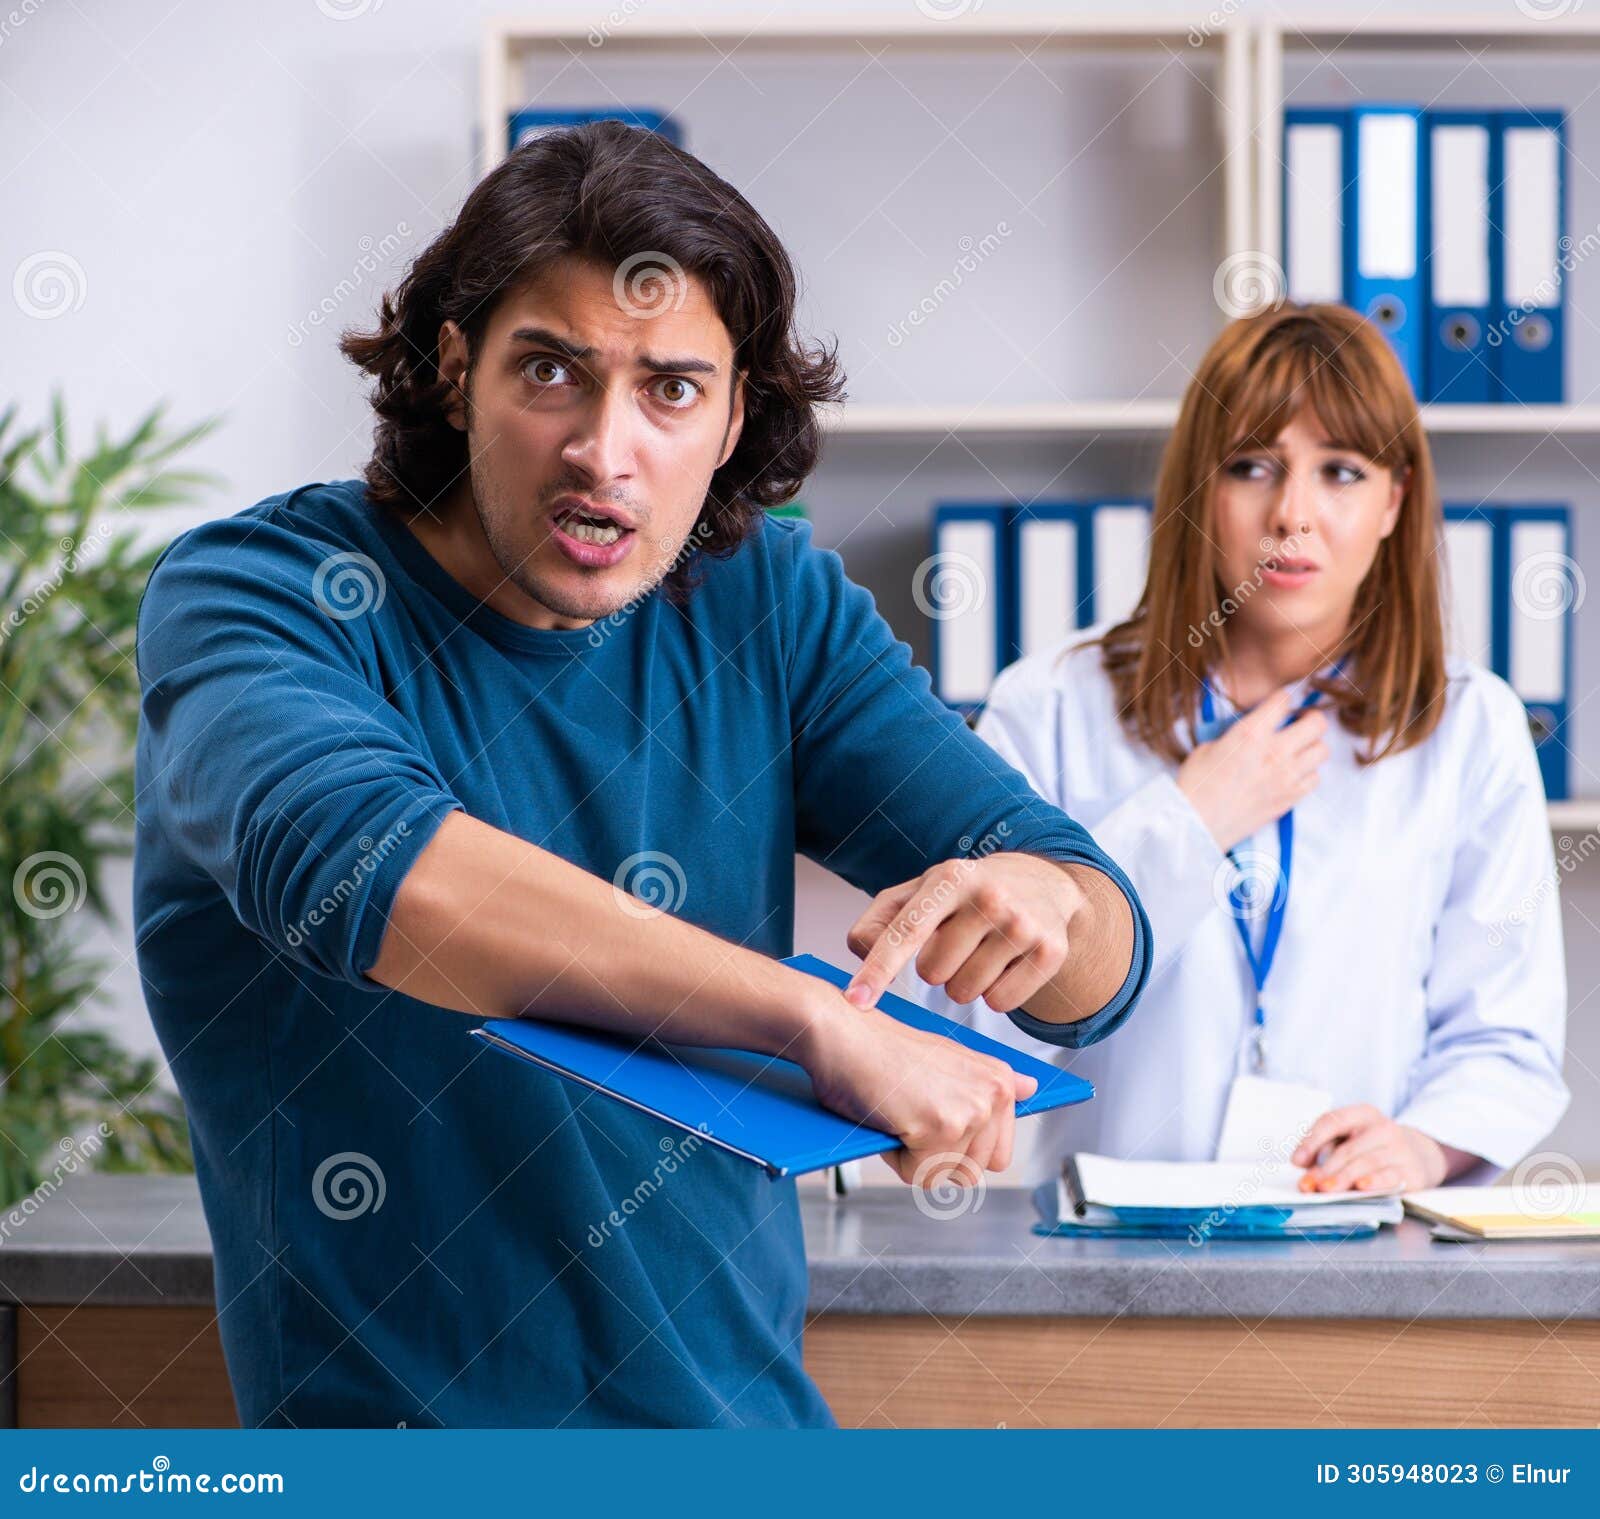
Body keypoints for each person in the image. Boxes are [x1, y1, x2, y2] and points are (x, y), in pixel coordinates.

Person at [131, 121, 1151, 1429]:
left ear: (734, 418)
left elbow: (1098, 970)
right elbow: (378, 879)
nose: (604, 450)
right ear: (455, 369)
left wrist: (1045, 899)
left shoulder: (768, 603)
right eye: (551, 371)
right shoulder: (261, 598)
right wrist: (816, 1017)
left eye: (671, 389)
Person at [921, 301, 1568, 1195]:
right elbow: (958, 1012)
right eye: (1253, 466)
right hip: (1101, 1258)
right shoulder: (1052, 705)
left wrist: (1424, 1143)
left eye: (1341, 471)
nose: (1292, 514)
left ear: (1395, 501)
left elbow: (1506, 1034)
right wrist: (1185, 821)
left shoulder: (1468, 724)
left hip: (1363, 1252)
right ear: (1199, 489)